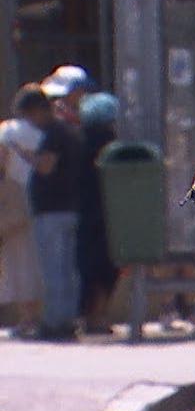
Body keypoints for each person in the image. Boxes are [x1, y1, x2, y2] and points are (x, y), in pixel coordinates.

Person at [18, 84, 87, 340]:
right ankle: (67, 319)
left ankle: (54, 322)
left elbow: (46, 166)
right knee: (68, 269)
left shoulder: (55, 134)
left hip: (52, 211)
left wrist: (25, 155)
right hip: (69, 208)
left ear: (37, 110)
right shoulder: (66, 131)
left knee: (54, 269)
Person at [76, 92, 122, 334]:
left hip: (85, 210)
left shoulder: (80, 141)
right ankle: (99, 316)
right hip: (108, 211)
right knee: (105, 268)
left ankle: (90, 316)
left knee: (88, 268)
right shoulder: (111, 143)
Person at [0, 87, 45, 333]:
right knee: (35, 259)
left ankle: (27, 318)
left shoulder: (8, 130)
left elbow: (1, 160)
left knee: (17, 260)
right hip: (40, 200)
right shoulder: (44, 132)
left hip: (14, 200)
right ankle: (34, 315)